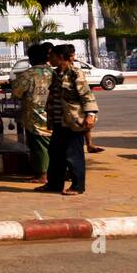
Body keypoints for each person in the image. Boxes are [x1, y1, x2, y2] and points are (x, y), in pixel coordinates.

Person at [43, 44, 98, 195]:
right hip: (58, 122)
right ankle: (54, 184)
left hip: (73, 122)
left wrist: (90, 115)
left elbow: (86, 95)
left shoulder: (75, 73)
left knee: (73, 155)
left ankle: (78, 186)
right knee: (55, 153)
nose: (50, 60)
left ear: (60, 57)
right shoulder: (55, 74)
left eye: (52, 56)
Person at [11, 43, 53, 184]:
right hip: (53, 114)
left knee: (38, 146)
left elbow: (16, 93)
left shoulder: (27, 75)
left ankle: (42, 175)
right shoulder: (54, 72)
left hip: (34, 116)